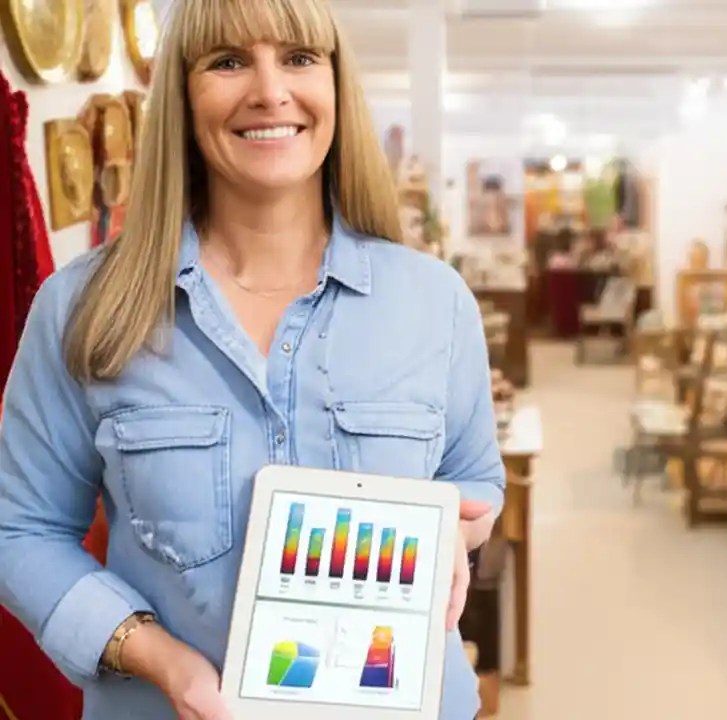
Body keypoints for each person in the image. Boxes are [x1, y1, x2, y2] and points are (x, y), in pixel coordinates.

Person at [0, 1, 504, 718]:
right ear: (182, 92)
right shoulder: (83, 306)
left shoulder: (435, 300)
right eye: (228, 61)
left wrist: (450, 528)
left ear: (335, 85)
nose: (270, 90)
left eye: (299, 58)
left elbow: (476, 476)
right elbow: (18, 531)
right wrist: (158, 658)